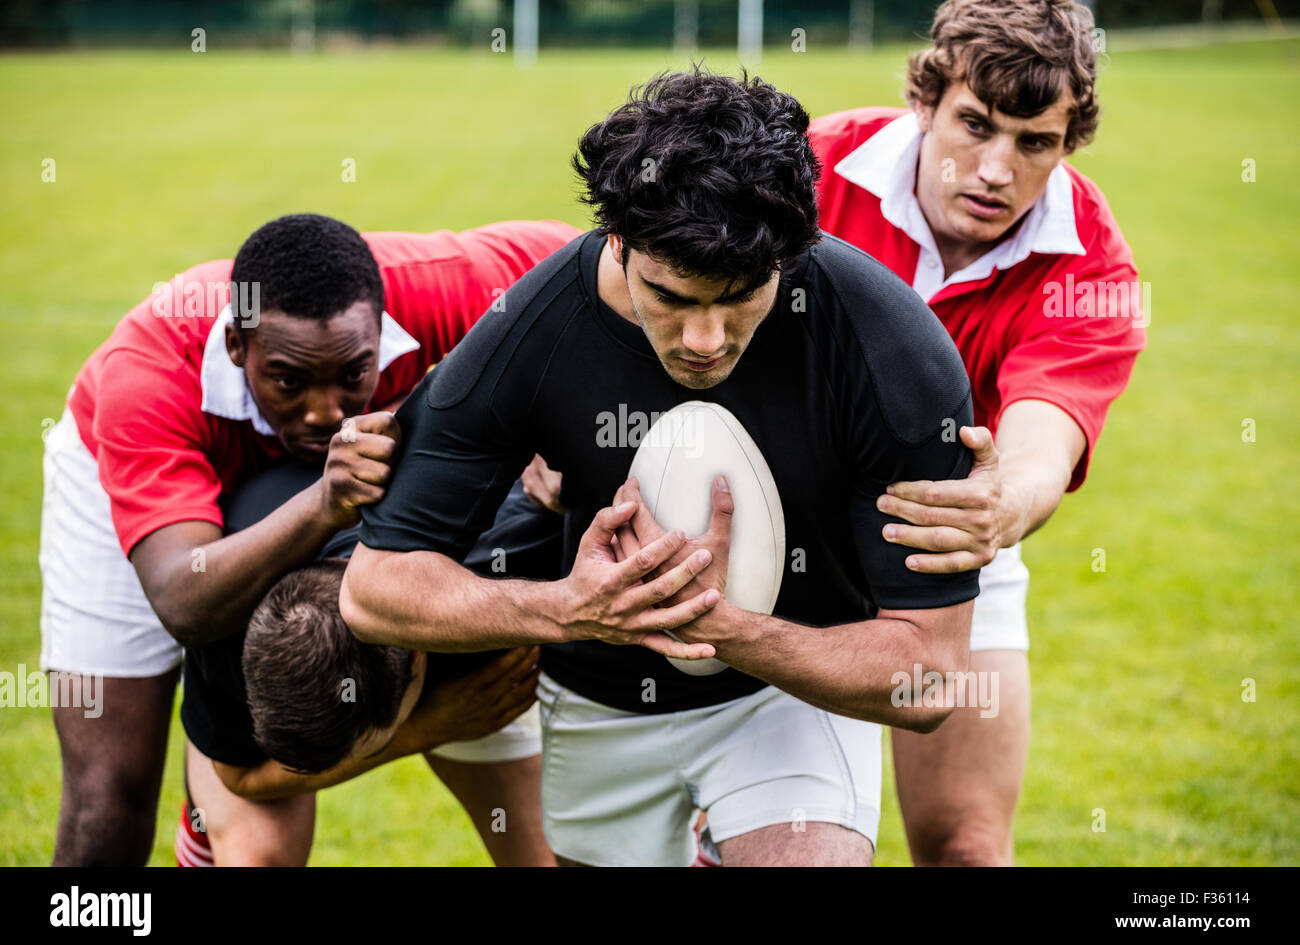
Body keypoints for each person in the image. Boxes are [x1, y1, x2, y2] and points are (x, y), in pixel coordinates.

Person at [339, 68, 981, 867]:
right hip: (600, 699)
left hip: (794, 688)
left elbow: (933, 673)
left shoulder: (893, 352)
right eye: (672, 297)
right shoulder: (530, 333)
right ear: (617, 240)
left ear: (794, 252)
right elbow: (375, 588)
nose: (706, 339)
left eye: (740, 296)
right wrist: (573, 609)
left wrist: (729, 631)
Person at [40, 212, 578, 864]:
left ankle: (213, 812)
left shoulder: (443, 285)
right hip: (147, 513)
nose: (327, 412)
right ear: (237, 346)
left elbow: (603, 265)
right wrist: (325, 503)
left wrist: (561, 428)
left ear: (382, 331)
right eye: (290, 382)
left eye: (354, 374)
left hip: (331, 506)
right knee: (110, 797)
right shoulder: (146, 375)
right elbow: (185, 599)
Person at [806, 0, 1146, 864]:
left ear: (1067, 144)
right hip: (777, 529)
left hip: (952, 538)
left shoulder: (1091, 264)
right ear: (925, 100)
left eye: (1035, 142)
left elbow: (1045, 435)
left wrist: (1001, 506)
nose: (995, 168)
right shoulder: (807, 170)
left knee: (966, 845)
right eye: (974, 125)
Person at [178, 459, 563, 866]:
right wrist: (425, 729)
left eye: (369, 747)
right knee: (255, 856)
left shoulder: (515, 552)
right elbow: (241, 776)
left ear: (416, 656)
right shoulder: (221, 615)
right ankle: (201, 836)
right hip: (265, 518)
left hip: (477, 654)